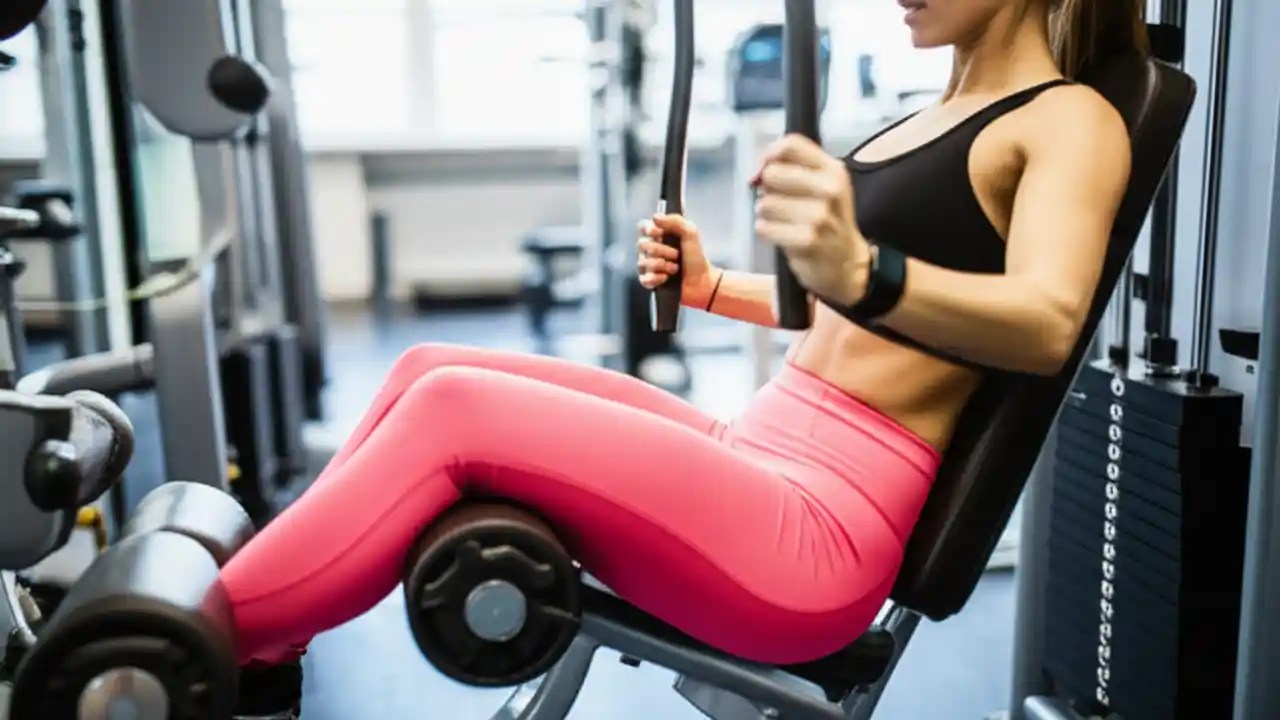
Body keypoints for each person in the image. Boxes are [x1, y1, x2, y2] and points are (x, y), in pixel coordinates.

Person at [223, 0, 1144, 714]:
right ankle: (271, 649)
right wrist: (712, 286)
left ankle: (209, 641)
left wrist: (863, 266)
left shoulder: (1072, 120)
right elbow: (851, 315)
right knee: (426, 367)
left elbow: (1047, 322)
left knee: (454, 410)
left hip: (818, 532)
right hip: (764, 444)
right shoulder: (935, 110)